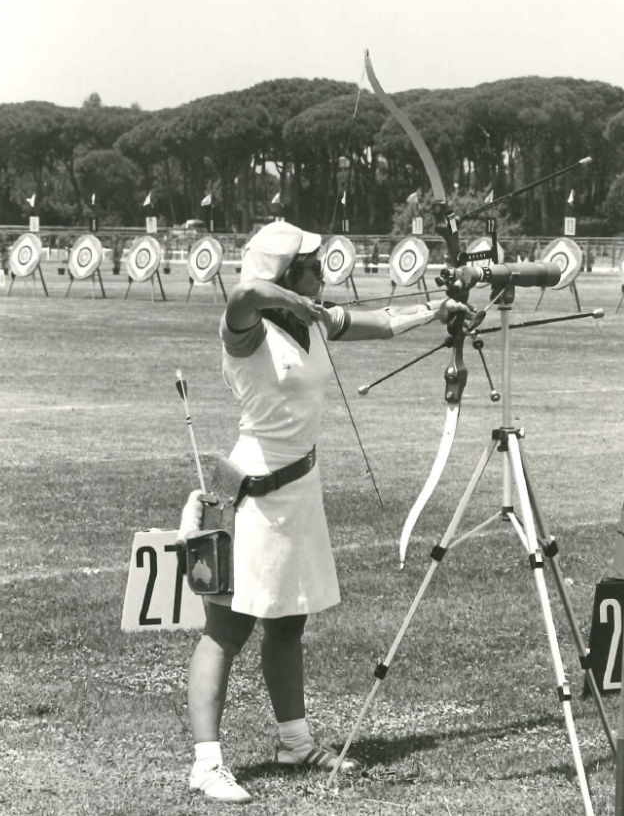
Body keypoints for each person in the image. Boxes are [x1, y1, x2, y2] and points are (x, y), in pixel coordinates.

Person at [181, 221, 469, 803]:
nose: (324, 273)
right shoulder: (247, 329)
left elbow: (379, 322)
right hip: (252, 494)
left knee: (289, 622)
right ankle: (206, 764)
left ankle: (294, 742)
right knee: (227, 630)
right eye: (312, 266)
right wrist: (297, 301)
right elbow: (244, 292)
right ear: (287, 274)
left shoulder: (310, 323)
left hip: (299, 490)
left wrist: (436, 311)